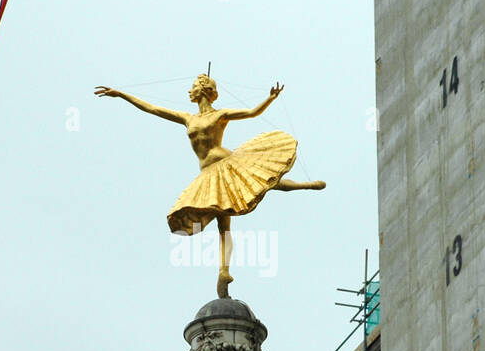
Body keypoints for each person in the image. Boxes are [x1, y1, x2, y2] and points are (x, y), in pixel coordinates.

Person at [94, 73, 325, 297]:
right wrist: (122, 94)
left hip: (225, 162)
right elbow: (153, 109)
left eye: (193, 86)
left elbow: (252, 112)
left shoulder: (220, 115)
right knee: (223, 225)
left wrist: (270, 98)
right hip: (207, 173)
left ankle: (306, 185)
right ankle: (224, 272)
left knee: (263, 181)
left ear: (204, 90)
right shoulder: (188, 118)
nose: (189, 90)